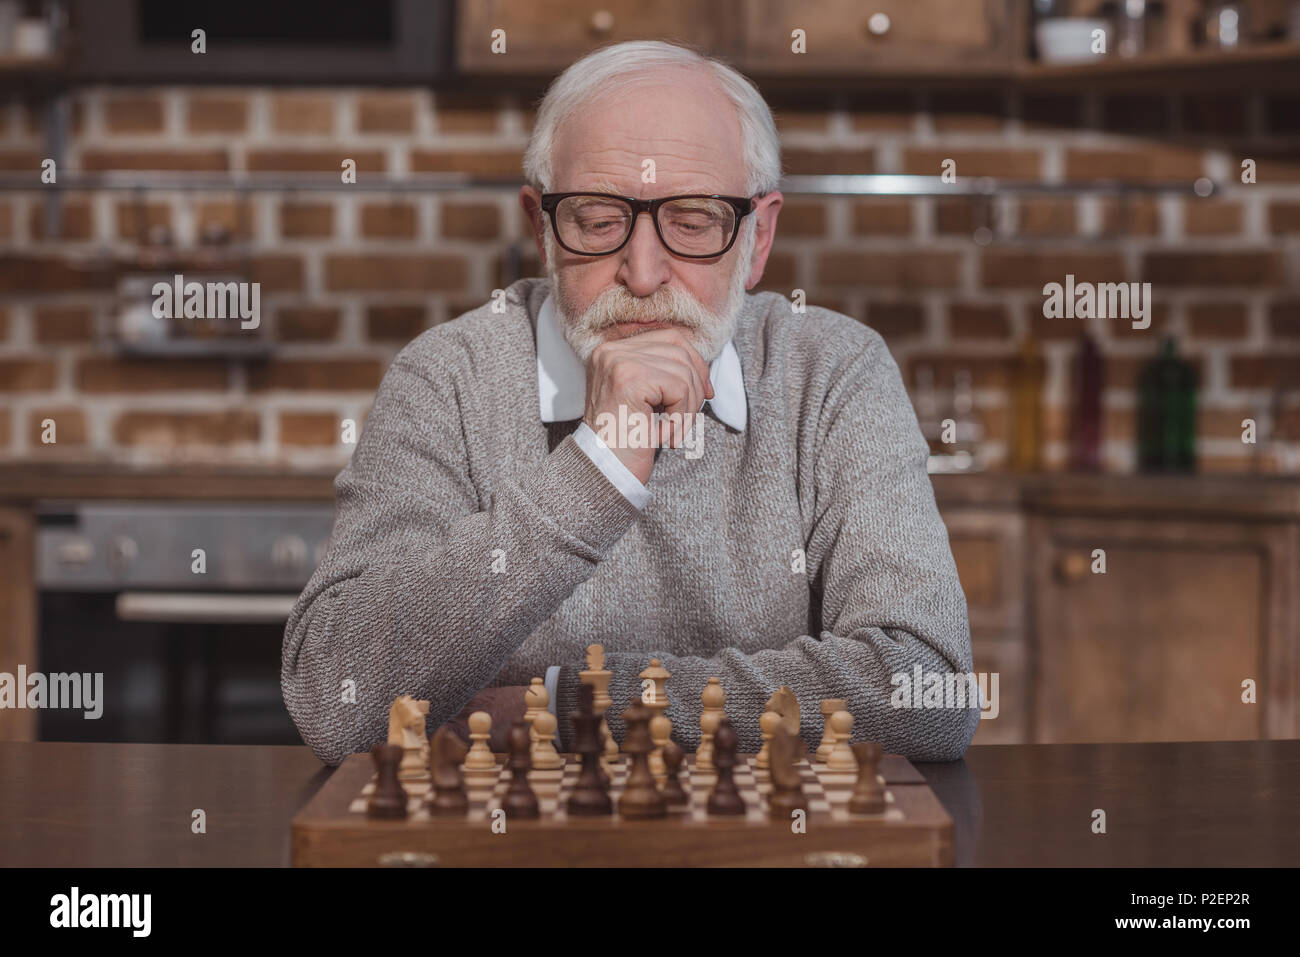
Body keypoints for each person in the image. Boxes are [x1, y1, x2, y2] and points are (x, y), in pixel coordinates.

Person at [281, 40, 979, 766]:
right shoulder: (446, 378)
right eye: (597, 219)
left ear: (759, 236)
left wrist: (577, 705)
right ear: (540, 228)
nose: (643, 274)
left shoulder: (834, 371)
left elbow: (929, 693)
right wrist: (596, 470)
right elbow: (335, 700)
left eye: (694, 220)